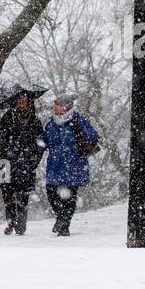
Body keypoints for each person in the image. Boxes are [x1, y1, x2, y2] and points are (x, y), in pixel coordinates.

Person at [41, 93, 101, 236]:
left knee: (69, 197)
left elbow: (93, 137)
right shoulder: (51, 123)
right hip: (55, 165)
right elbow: (45, 141)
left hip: (74, 165)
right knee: (51, 193)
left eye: (57, 105)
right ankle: (61, 218)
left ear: (65, 107)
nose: (54, 107)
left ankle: (64, 225)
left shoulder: (79, 120)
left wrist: (80, 130)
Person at [0, 90, 46, 235]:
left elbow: (40, 144)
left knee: (23, 195)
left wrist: (32, 160)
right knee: (7, 195)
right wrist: (5, 144)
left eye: (24, 101)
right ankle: (10, 222)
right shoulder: (8, 117)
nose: (22, 104)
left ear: (29, 103)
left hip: (25, 163)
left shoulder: (35, 121)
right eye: (19, 101)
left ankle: (20, 224)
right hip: (5, 162)